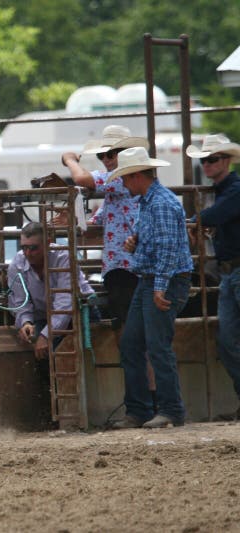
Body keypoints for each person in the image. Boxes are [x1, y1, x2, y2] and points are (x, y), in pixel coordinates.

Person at [108, 147, 193, 429]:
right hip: (154, 278)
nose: (123, 183)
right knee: (136, 343)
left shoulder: (159, 203)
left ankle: (168, 409)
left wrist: (159, 287)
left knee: (155, 346)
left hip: (162, 279)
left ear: (136, 176)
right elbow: (162, 243)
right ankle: (143, 410)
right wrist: (136, 242)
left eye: (125, 177)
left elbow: (168, 249)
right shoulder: (151, 201)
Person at [61, 125, 148, 328]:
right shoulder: (115, 190)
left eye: (111, 154)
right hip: (123, 265)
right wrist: (73, 221)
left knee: (128, 324)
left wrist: (70, 160)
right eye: (102, 155)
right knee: (129, 321)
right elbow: (96, 223)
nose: (106, 159)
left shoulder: (120, 178)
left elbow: (81, 179)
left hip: (125, 266)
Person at [186, 134, 240, 413]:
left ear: (227, 161)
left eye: (212, 159)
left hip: (234, 270)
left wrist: (194, 222)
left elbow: (216, 215)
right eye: (204, 160)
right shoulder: (223, 192)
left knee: (229, 339)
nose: (206, 164)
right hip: (229, 271)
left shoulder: (234, 190)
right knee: (227, 341)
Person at [7, 222, 95, 360]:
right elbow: (20, 301)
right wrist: (26, 323)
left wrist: (46, 335)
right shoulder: (17, 264)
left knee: (77, 353)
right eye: (24, 248)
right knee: (37, 347)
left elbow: (65, 304)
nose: (28, 253)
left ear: (47, 243)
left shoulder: (63, 258)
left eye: (33, 248)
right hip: (45, 316)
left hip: (79, 313)